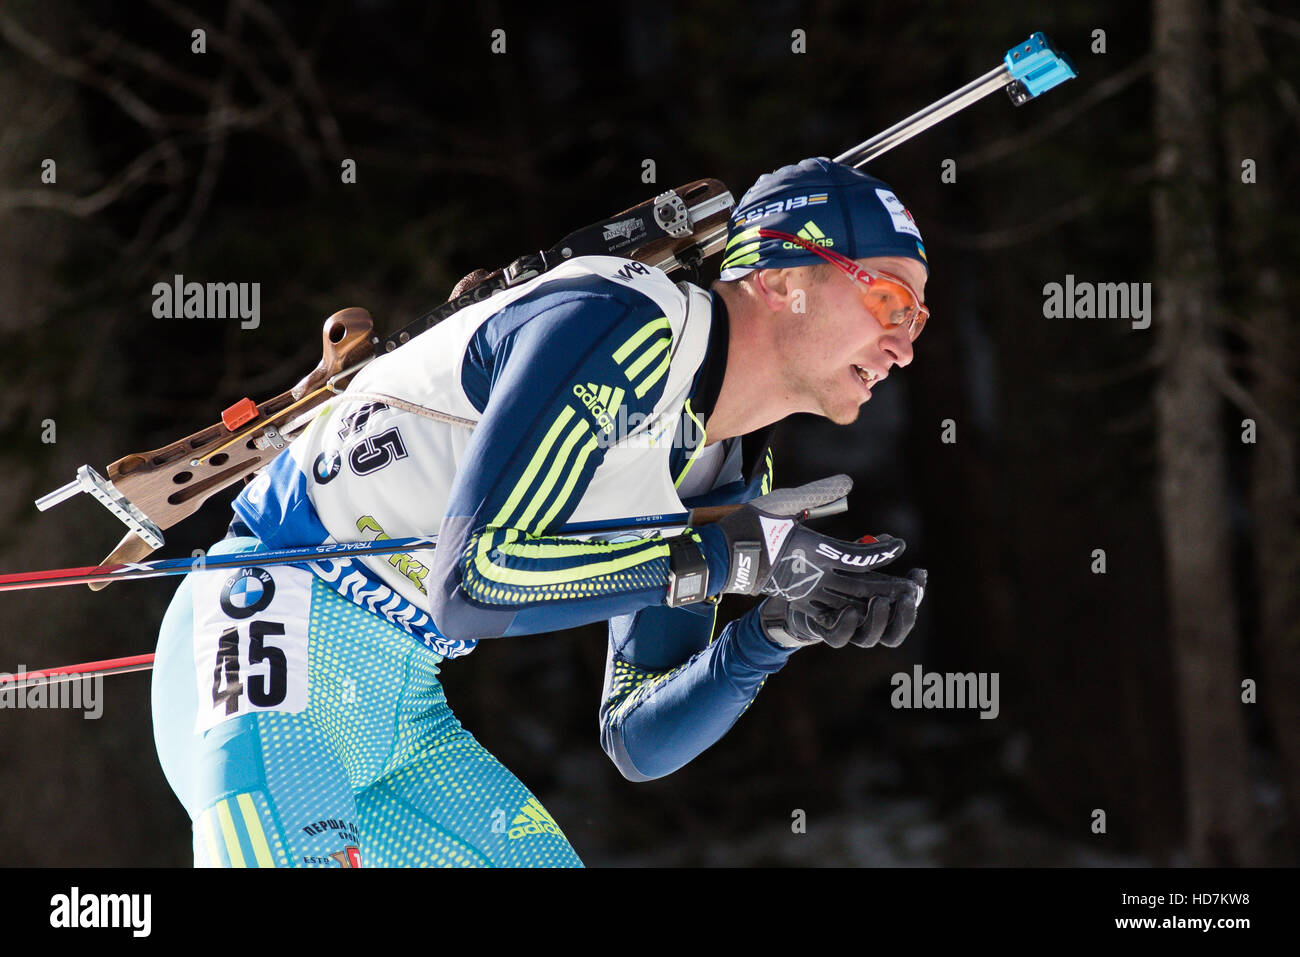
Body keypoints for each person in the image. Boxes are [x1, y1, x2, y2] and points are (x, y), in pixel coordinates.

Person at [150, 156, 931, 867]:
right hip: (270, 631)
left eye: (918, 318)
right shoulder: (617, 321)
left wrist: (772, 629)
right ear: (778, 278)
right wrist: (734, 559)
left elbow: (639, 736)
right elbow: (472, 583)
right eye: (890, 299)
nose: (904, 344)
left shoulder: (722, 461)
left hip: (403, 716)